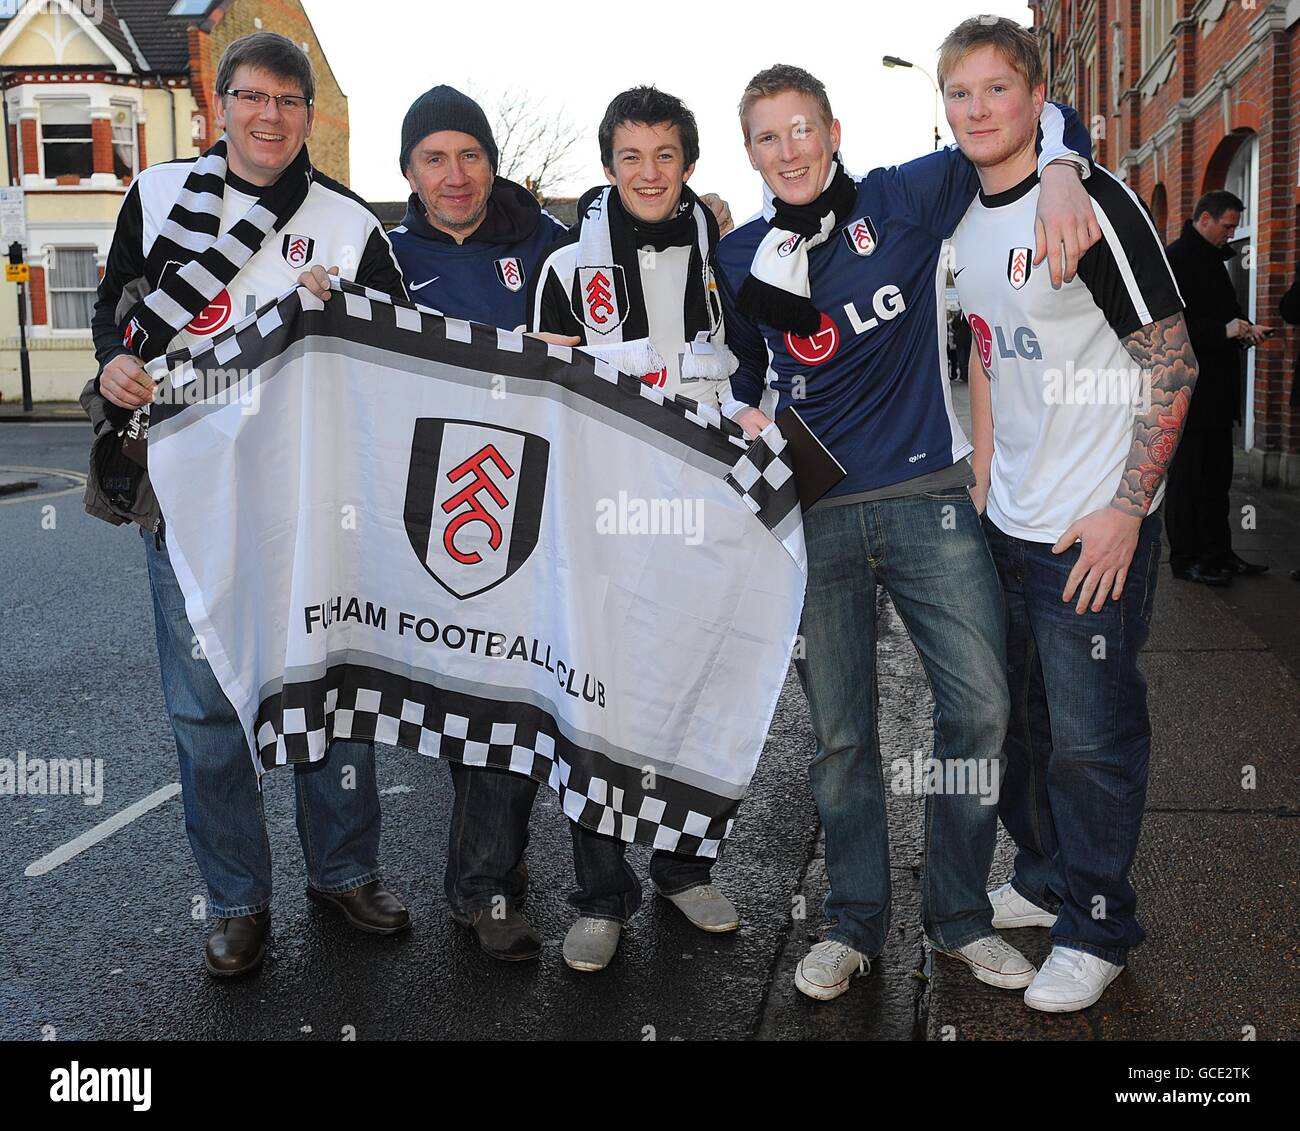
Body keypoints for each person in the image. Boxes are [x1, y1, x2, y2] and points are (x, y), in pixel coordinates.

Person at [716, 62, 1099, 1002]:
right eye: (768, 136)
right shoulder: (741, 257)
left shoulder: (902, 198)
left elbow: (1027, 113)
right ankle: (851, 923)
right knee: (841, 737)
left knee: (980, 708)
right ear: (753, 153)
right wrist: (742, 415)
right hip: (817, 520)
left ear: (833, 130)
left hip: (931, 495)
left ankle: (960, 916)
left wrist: (1062, 170)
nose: (789, 149)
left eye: (802, 128)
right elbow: (732, 375)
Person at [87, 33, 410, 977]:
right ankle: (234, 900)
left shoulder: (350, 223)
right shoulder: (154, 198)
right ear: (219, 107)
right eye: (251, 96)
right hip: (186, 497)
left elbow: (398, 358)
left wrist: (345, 307)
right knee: (204, 709)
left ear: (310, 115)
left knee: (331, 691)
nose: (270, 115)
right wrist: (113, 362)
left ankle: (344, 870)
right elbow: (116, 315)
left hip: (317, 501)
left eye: (289, 99)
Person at [943, 16, 1195, 1012]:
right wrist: (980, 476)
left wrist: (1129, 514)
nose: (976, 110)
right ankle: (1046, 879)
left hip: (1092, 529)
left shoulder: (1088, 203)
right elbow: (985, 348)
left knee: (1091, 736)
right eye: (959, 93)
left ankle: (1098, 923)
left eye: (996, 89)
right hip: (1001, 526)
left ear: (1035, 94)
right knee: (1016, 726)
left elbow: (1171, 362)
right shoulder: (958, 216)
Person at [529, 86, 742, 972]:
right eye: (630, 157)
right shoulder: (565, 270)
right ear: (608, 166)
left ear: (688, 164)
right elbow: (545, 402)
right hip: (607, 524)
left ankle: (685, 866)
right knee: (600, 706)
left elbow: (757, 380)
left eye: (665, 156)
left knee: (693, 698)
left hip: (706, 519)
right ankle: (600, 891)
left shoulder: (733, 254)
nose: (648, 174)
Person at [1163, 190, 1272, 583]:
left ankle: (1218, 552)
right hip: (1192, 393)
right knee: (1188, 480)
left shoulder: (1210, 258)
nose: (1232, 233)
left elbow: (1224, 314)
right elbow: (1168, 329)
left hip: (1217, 393)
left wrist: (1244, 329)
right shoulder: (1177, 258)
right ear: (1205, 220)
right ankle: (1186, 557)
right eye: (1227, 226)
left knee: (1216, 481)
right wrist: (1222, 330)